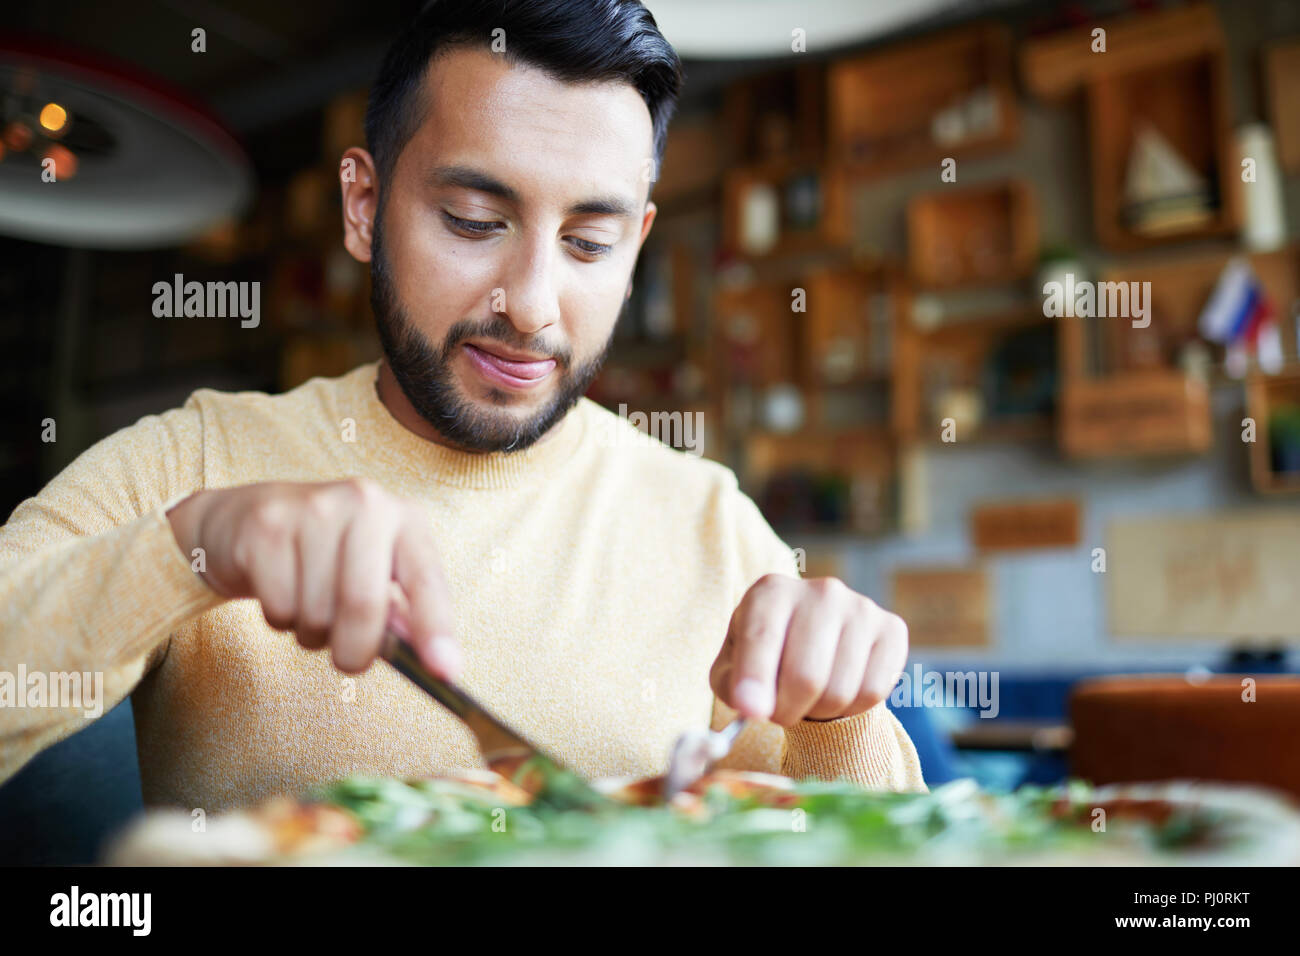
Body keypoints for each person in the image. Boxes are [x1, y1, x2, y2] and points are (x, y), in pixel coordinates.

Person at [0, 0, 924, 811]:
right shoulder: (191, 463)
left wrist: (839, 721)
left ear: (638, 243)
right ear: (363, 207)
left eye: (590, 243)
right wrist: (191, 546)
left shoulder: (711, 526)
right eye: (477, 223)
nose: (531, 303)